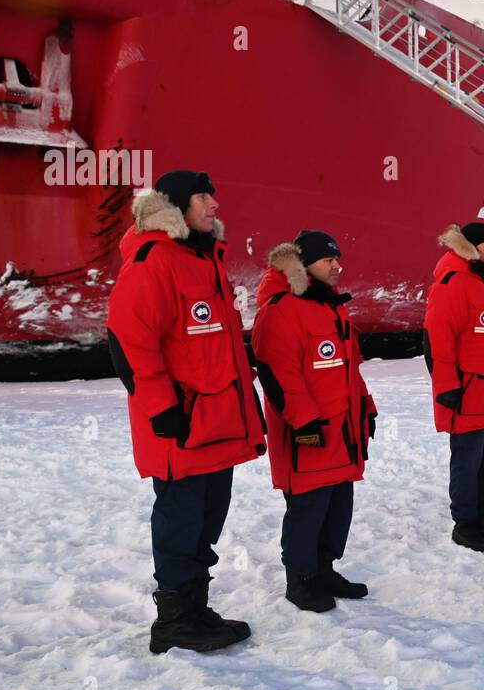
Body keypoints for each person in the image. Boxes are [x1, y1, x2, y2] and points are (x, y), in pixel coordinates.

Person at [106, 170, 266, 654]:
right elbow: (129, 340)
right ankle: (174, 620)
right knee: (180, 522)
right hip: (181, 425)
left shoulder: (202, 257)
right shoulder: (156, 261)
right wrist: (160, 410)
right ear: (175, 206)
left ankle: (195, 608)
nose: (214, 203)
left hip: (215, 422)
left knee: (207, 520)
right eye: (203, 196)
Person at [252, 232, 375, 613]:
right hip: (311, 434)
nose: (337, 266)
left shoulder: (330, 307)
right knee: (308, 507)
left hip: (342, 429)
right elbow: (277, 372)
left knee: (338, 505)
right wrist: (304, 423)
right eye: (328, 260)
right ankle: (301, 579)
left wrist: (366, 407)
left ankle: (324, 568)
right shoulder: (283, 309)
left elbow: (348, 370)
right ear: (303, 265)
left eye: (338, 259)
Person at [424, 222, 484, 552]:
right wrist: (447, 386)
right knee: (467, 462)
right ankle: (464, 524)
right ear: (471, 247)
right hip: (468, 393)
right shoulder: (452, 284)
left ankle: (482, 515)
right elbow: (438, 339)